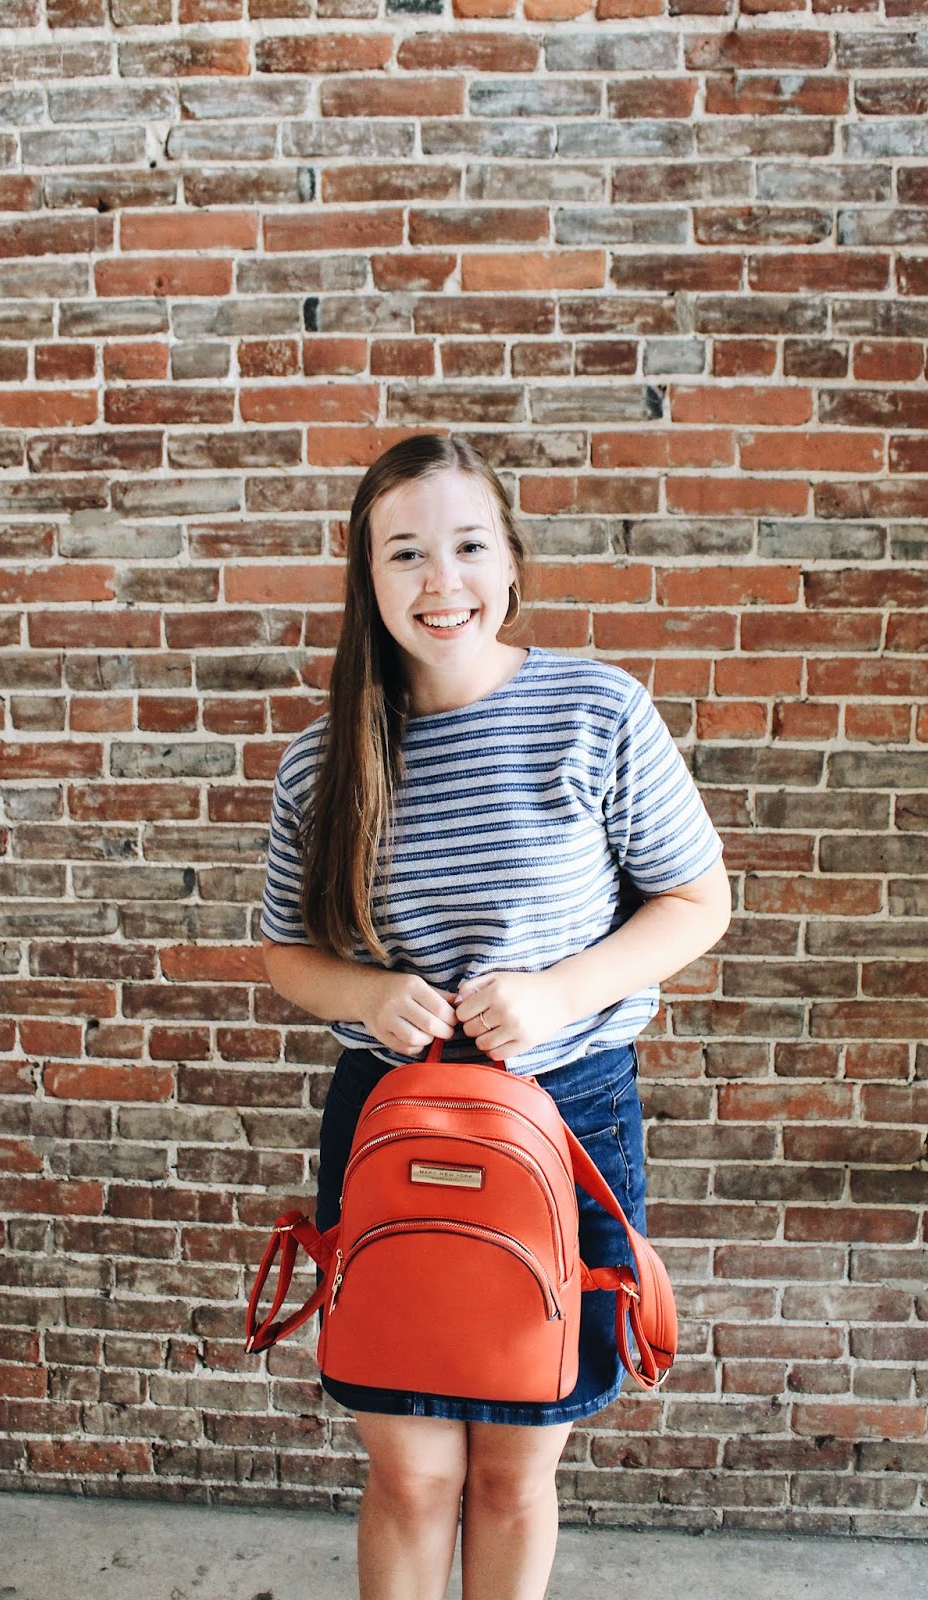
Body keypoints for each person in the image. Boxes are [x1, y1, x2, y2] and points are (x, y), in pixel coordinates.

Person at [259, 434, 731, 1600]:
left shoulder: (597, 709)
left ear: (510, 562)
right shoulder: (322, 760)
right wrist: (369, 994)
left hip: (565, 1120)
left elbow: (697, 897)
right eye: (404, 553)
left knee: (514, 1474)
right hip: (389, 1118)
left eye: (468, 545)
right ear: (366, 580)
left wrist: (562, 990)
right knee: (412, 1474)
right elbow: (283, 953)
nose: (441, 580)